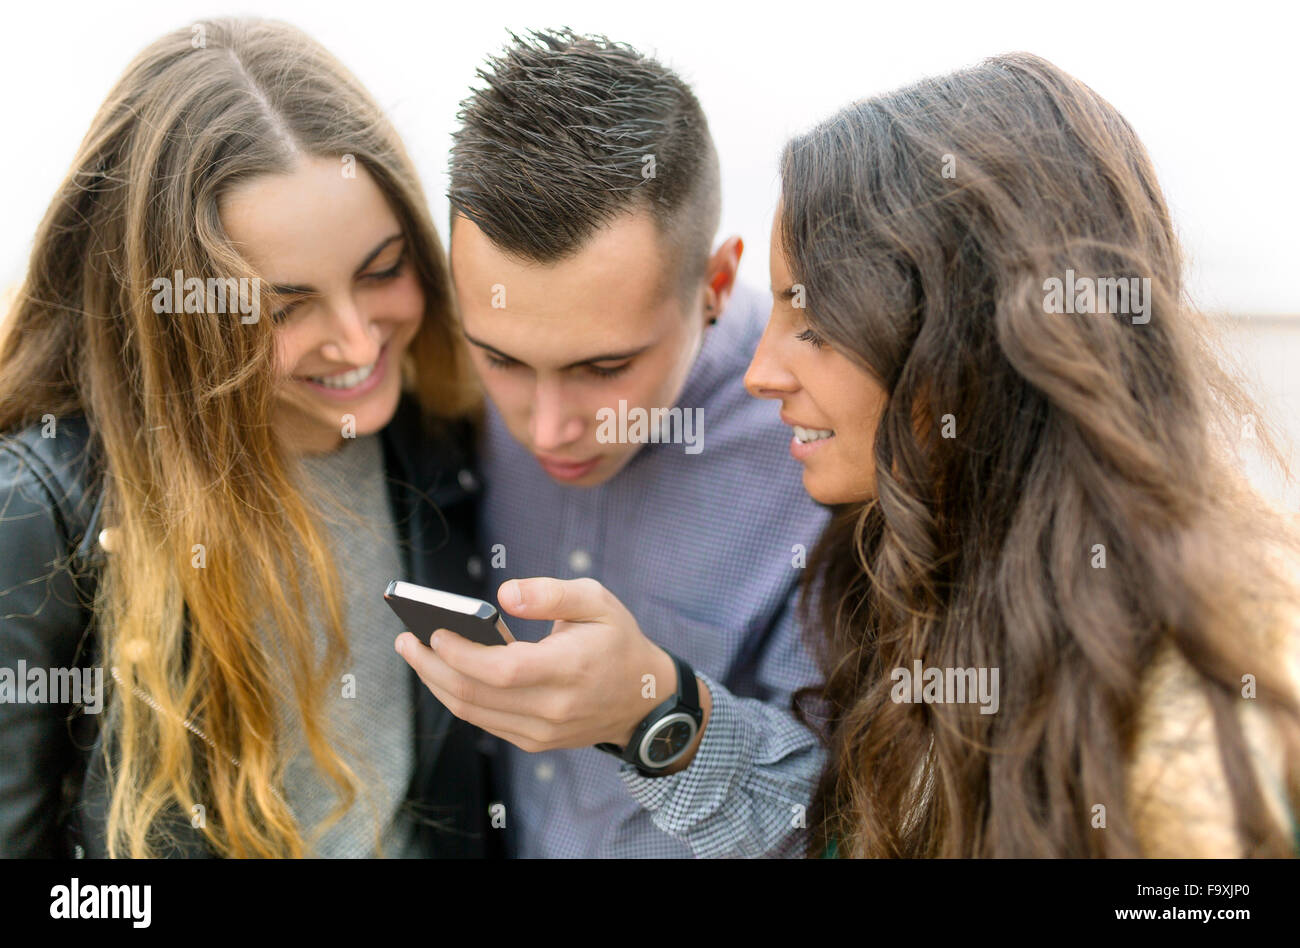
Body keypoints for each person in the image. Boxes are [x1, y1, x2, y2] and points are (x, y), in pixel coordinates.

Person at [741, 52, 1300, 857]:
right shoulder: (913, 575)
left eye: (816, 321)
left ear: (968, 339)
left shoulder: (1203, 708)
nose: (761, 373)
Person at [0, 17, 491, 858]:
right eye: (284, 309)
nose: (359, 343)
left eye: (382, 271)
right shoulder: (40, 506)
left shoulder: (445, 435)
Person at [395, 29, 830, 857]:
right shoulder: (425, 377)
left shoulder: (820, 448)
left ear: (713, 285)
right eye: (503, 360)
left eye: (604, 366)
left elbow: (850, 814)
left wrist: (658, 712)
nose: (548, 427)